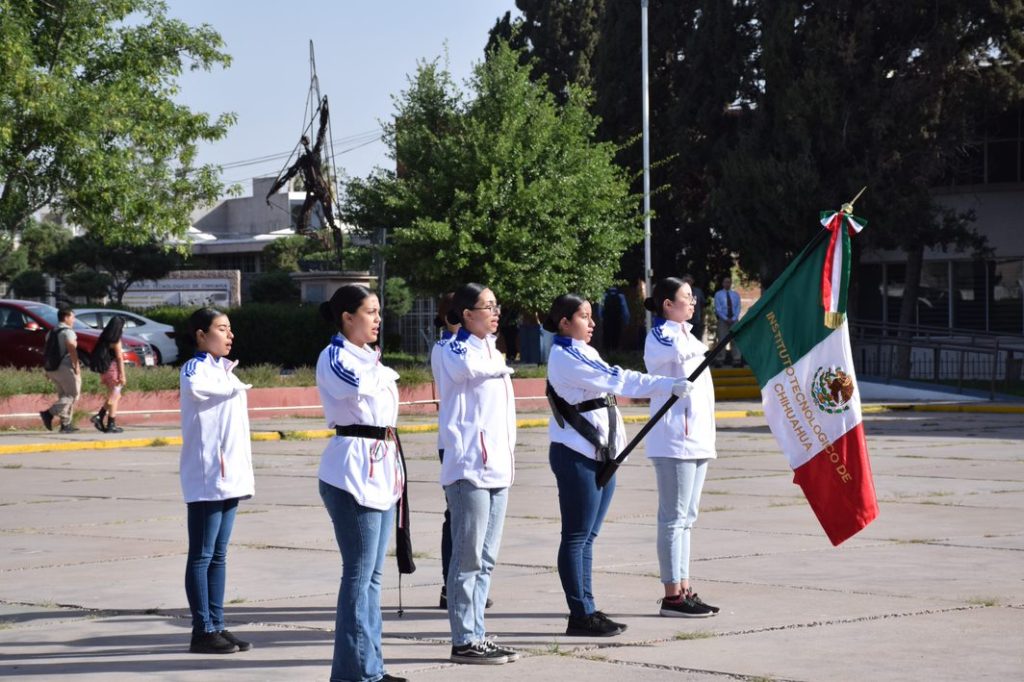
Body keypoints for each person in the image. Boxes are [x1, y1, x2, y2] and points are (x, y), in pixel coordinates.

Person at [544, 293, 692, 637]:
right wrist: (666, 385)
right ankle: (580, 614)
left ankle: (588, 609)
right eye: (584, 316)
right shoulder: (566, 357)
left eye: (591, 315)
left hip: (601, 456)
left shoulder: (584, 350)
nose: (592, 322)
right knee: (576, 537)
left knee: (588, 537)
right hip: (576, 455)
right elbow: (619, 379)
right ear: (564, 322)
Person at [316, 284, 409, 682]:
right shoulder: (334, 356)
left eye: (378, 312)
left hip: (381, 467)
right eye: (370, 312)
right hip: (352, 472)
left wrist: (377, 365)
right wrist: (379, 368)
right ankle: (352, 673)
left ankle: (371, 667)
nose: (377, 319)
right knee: (358, 574)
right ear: (347, 317)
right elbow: (359, 385)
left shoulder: (371, 357)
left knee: (372, 577)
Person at [438, 283, 518, 665]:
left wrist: (500, 362)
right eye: (488, 306)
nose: (495, 312)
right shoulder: (455, 348)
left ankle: (478, 634)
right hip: (469, 468)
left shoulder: (492, 350)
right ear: (467, 314)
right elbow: (466, 369)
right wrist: (502, 366)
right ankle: (463, 639)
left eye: (496, 305)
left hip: (498, 469)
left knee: (486, 559)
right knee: (467, 559)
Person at [643, 277, 720, 618]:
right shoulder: (661, 334)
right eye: (686, 297)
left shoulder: (688, 335)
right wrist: (703, 346)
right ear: (667, 304)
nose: (693, 302)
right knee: (673, 519)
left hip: (698, 440)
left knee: (687, 518)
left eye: (693, 296)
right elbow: (671, 355)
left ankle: (685, 587)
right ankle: (672, 595)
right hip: (675, 440)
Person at [179, 307, 255, 655]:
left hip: (230, 476)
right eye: (222, 329)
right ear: (201, 334)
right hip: (208, 475)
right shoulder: (195, 368)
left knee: (219, 555)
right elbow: (197, 387)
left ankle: (218, 624)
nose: (230, 335)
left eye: (230, 328)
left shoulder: (225, 370)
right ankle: (202, 630)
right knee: (202, 554)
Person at [39, 306, 81, 433]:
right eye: (73, 317)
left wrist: (46, 369)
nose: (74, 320)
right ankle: (48, 413)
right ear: (66, 317)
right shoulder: (68, 332)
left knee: (64, 395)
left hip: (52, 368)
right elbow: (72, 348)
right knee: (73, 395)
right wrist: (76, 365)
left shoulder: (51, 332)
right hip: (65, 367)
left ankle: (65, 425)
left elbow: (47, 351)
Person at [90, 315, 127, 433]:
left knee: (115, 395)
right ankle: (102, 417)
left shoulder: (103, 338)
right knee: (115, 396)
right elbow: (119, 358)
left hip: (105, 370)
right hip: (114, 370)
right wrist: (122, 375)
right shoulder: (116, 340)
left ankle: (109, 422)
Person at [713, 276, 742, 366]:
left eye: (729, 282)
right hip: (723, 321)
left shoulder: (736, 295)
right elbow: (718, 308)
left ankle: (737, 359)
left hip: (734, 320)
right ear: (723, 283)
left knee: (735, 340)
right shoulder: (718, 294)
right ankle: (720, 359)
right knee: (722, 340)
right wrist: (726, 318)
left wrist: (733, 318)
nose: (727, 284)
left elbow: (738, 307)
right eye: (726, 282)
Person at [601, 286, 630, 352]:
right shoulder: (621, 296)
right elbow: (625, 310)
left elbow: (600, 309)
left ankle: (607, 352)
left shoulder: (604, 295)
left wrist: (601, 318)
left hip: (607, 320)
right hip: (617, 319)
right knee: (616, 335)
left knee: (607, 336)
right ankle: (615, 352)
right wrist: (626, 320)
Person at [682, 274, 706, 342]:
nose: (687, 282)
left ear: (693, 281)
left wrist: (703, 320)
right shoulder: (678, 291)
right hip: (683, 322)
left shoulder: (698, 291)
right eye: (685, 280)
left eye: (689, 280)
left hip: (696, 322)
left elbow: (703, 307)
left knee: (696, 341)